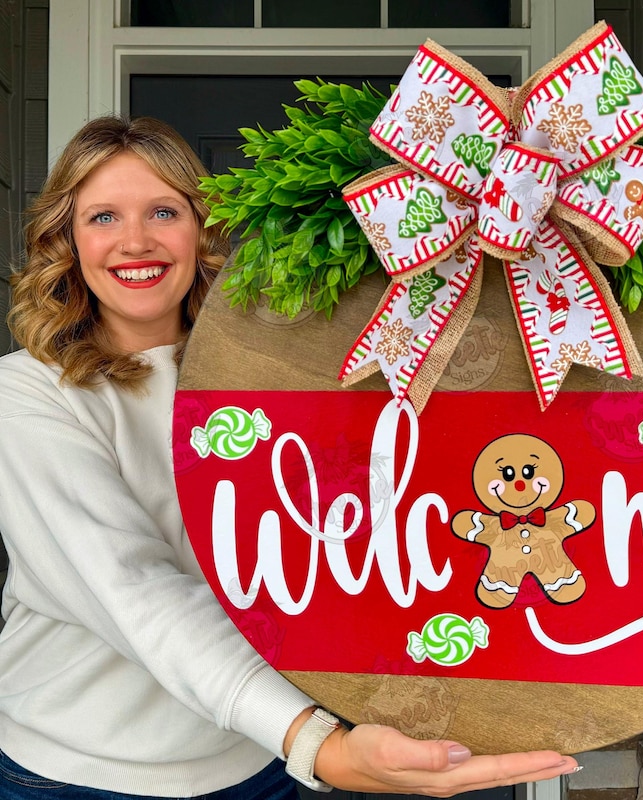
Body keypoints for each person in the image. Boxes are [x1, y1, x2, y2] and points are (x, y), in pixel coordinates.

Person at [0, 115, 581, 799]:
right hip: (78, 773)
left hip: (254, 759)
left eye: (163, 211)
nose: (135, 241)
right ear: (67, 239)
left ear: (201, 228)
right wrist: (317, 743)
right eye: (103, 217)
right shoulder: (26, 395)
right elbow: (133, 587)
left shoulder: (274, 380)